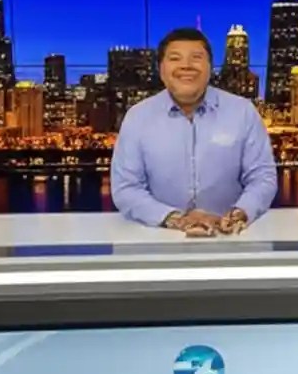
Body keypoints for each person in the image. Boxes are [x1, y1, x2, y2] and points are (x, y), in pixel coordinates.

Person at [111, 27, 278, 234]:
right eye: (175, 58)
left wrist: (238, 214)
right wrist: (177, 220)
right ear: (161, 69)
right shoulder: (138, 117)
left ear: (210, 68)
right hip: (159, 238)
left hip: (231, 237)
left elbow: (262, 177)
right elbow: (126, 188)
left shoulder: (242, 111)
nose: (186, 66)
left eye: (196, 58)